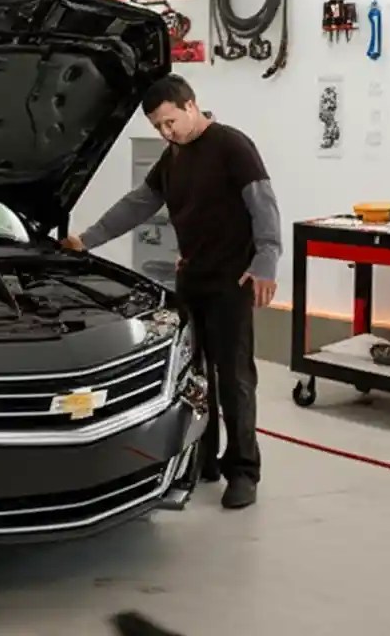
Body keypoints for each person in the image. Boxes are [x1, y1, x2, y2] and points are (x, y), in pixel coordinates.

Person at [61, 74, 282, 510]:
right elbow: (137, 204)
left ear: (191, 106)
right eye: (157, 127)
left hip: (232, 281)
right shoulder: (173, 158)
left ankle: (243, 471)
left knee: (234, 377)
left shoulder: (232, 146)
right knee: (195, 376)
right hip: (192, 279)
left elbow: (263, 205)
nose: (166, 133)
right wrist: (86, 239)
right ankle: (206, 457)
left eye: (169, 122)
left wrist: (266, 263)